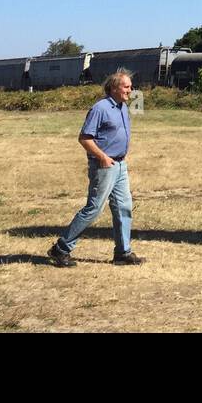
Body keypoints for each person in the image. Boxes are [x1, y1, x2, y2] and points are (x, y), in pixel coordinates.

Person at [48, 70, 144, 266]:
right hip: (104, 166)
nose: (130, 90)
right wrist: (103, 157)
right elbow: (84, 138)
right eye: (126, 87)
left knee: (124, 207)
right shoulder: (100, 108)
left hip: (120, 166)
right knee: (94, 208)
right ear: (114, 88)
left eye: (131, 87)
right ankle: (61, 248)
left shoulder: (123, 107)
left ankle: (123, 252)